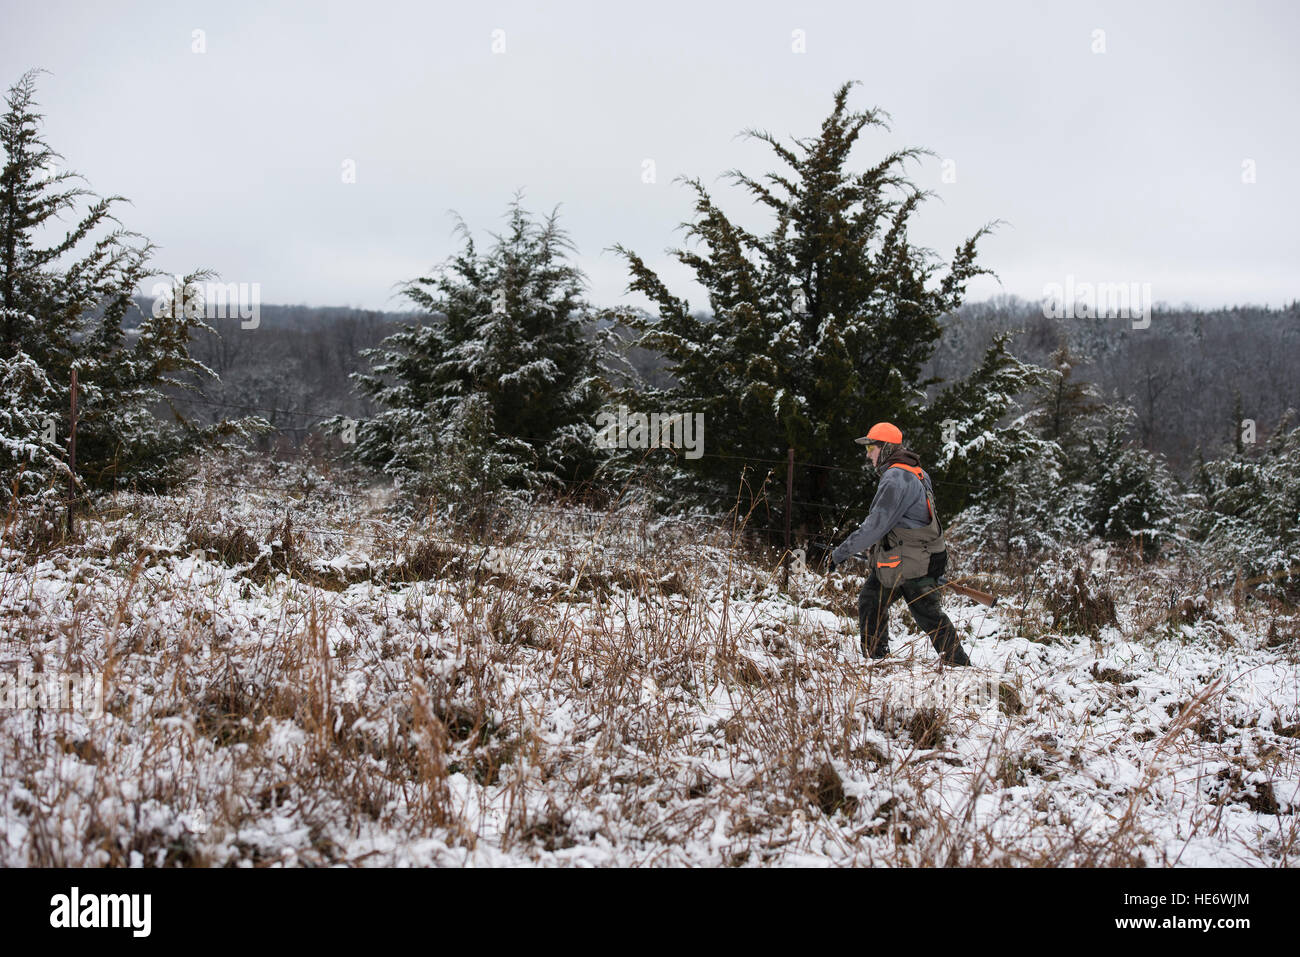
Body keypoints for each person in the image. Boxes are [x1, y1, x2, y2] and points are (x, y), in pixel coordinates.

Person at [829, 422, 971, 666]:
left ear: (885, 448)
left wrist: (839, 554)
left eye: (871, 448)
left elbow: (875, 526)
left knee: (927, 614)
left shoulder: (896, 477)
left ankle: (960, 666)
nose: (868, 454)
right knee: (872, 600)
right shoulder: (916, 472)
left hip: (912, 563)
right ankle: (877, 660)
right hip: (909, 558)